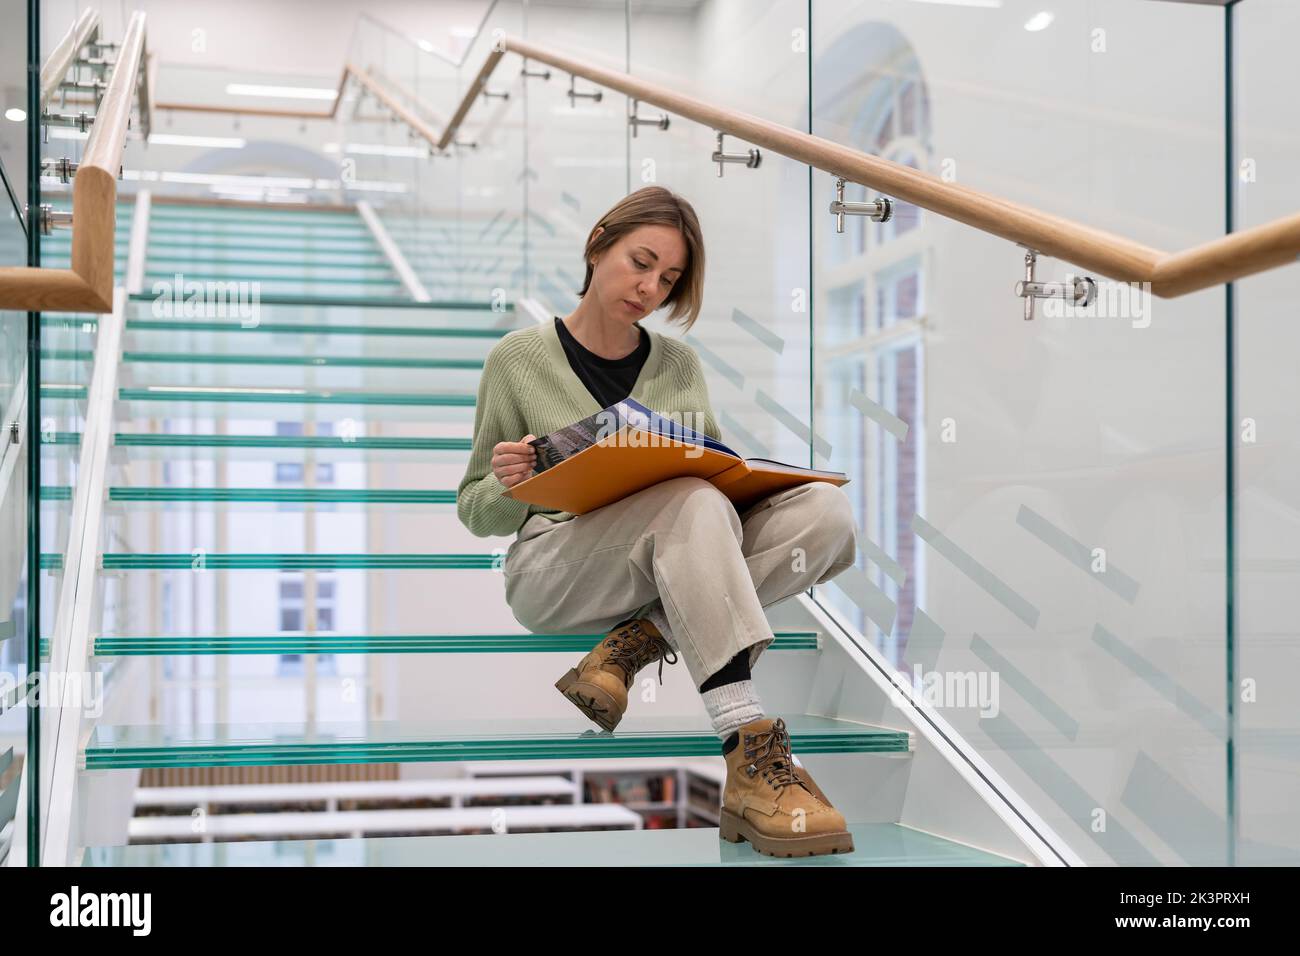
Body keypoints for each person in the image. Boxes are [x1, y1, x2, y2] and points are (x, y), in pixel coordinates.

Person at [456, 185, 860, 857]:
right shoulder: (517, 360)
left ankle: (637, 641)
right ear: (598, 244)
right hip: (557, 566)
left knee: (827, 513)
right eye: (640, 262)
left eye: (668, 279)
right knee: (692, 503)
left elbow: (711, 482)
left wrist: (743, 481)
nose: (649, 287)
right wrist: (512, 484)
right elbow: (475, 511)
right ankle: (748, 749)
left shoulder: (678, 366)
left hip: (669, 551)